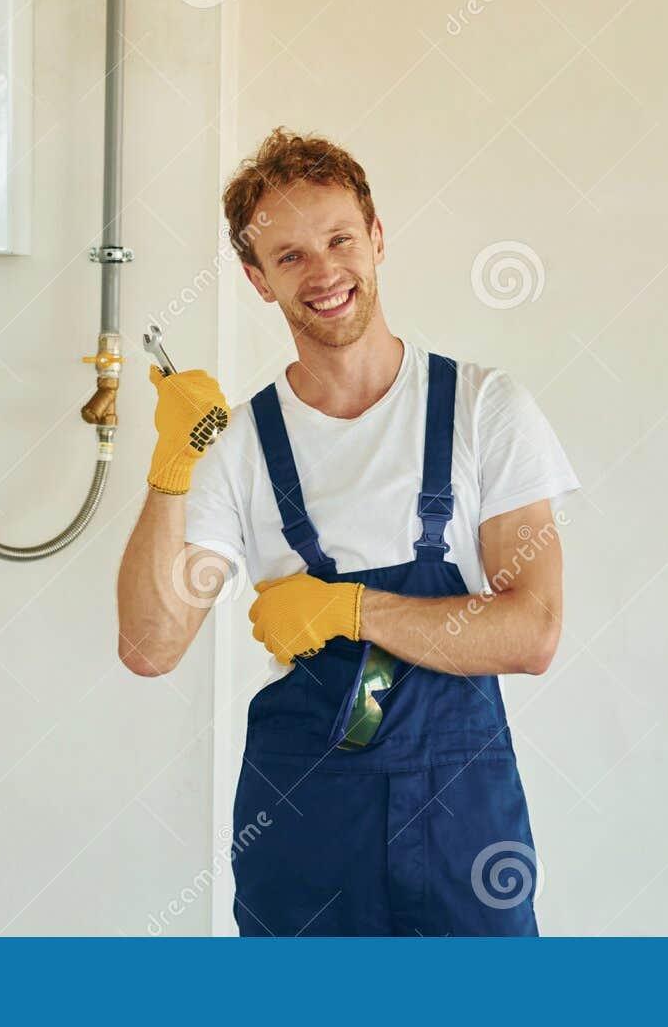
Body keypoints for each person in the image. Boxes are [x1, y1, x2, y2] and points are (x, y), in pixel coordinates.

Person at [116, 127, 579, 936]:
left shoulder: (483, 409)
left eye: (338, 239)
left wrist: (350, 610)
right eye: (289, 255)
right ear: (258, 280)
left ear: (377, 238)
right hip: (307, 824)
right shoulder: (240, 446)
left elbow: (531, 632)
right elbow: (151, 645)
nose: (324, 271)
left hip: (462, 822)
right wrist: (171, 470)